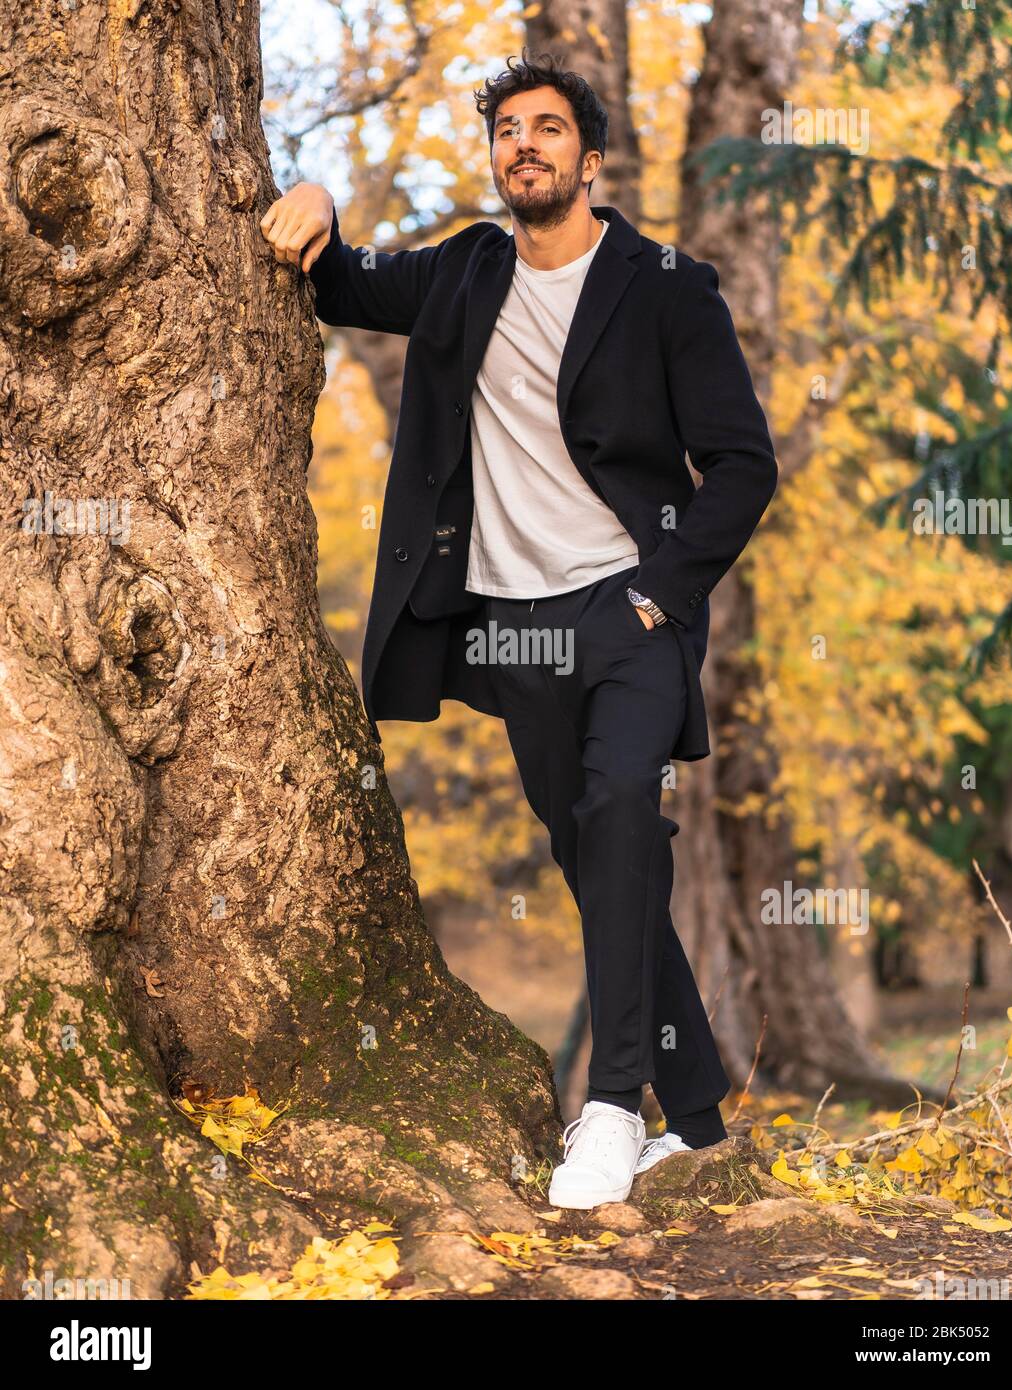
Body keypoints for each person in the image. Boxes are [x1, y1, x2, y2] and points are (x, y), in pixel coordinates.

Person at [260, 48, 778, 1209]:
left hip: (628, 612)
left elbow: (742, 466)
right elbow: (337, 282)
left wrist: (660, 591)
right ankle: (694, 1126)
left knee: (615, 817)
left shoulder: (663, 286)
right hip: (515, 630)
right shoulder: (461, 273)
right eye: (506, 131)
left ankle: (612, 1106)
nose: (523, 145)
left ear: (588, 161)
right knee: (597, 860)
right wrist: (314, 198)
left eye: (547, 129)